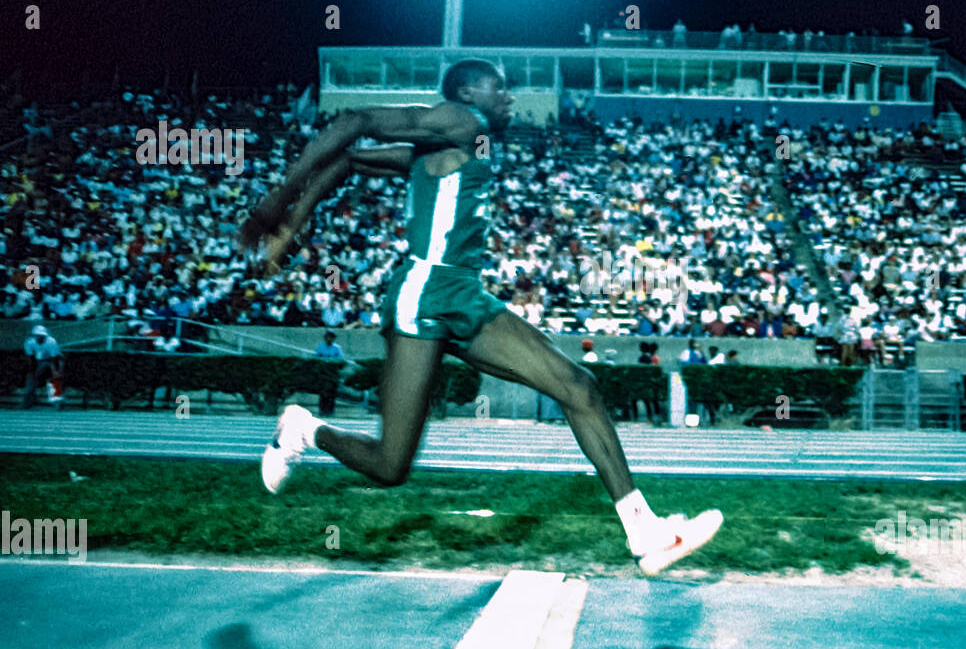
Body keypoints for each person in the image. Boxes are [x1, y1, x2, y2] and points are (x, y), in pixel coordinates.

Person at [240, 59, 720, 575]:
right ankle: (303, 430)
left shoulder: (450, 144)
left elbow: (351, 162)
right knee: (390, 465)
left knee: (577, 387)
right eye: (502, 88)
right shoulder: (463, 121)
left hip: (463, 295)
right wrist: (276, 204)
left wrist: (295, 221)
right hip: (424, 295)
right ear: (469, 91)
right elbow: (354, 122)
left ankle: (645, 533)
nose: (510, 98)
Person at [22, 325, 65, 409]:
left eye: (41, 336)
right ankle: (27, 402)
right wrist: (32, 371)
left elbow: (54, 358)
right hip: (39, 361)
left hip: (53, 360)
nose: (39, 338)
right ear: (34, 336)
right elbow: (30, 358)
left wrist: (55, 371)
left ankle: (57, 402)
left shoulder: (51, 342)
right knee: (31, 378)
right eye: (38, 336)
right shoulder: (29, 342)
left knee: (55, 378)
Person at [314, 330, 346, 417]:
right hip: (323, 374)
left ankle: (330, 411)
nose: (329, 339)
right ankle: (322, 410)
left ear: (333, 339)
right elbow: (316, 358)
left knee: (331, 394)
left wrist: (331, 360)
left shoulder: (337, 348)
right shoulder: (321, 347)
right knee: (322, 393)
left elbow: (341, 359)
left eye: (331, 337)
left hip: (332, 374)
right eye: (327, 337)